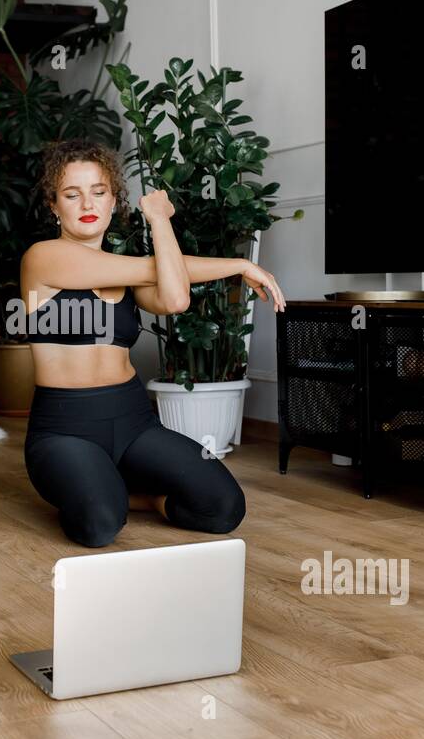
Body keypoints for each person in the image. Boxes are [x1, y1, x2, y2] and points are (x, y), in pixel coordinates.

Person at [20, 138, 285, 548]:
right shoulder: (42, 257)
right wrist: (231, 260)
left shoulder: (130, 276)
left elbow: (175, 297)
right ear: (54, 206)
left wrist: (164, 224)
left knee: (222, 507)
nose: (87, 203)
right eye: (72, 194)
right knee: (100, 525)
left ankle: (137, 496)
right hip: (64, 430)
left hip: (133, 421)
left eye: (99, 192)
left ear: (113, 202)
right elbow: (157, 269)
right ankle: (100, 490)